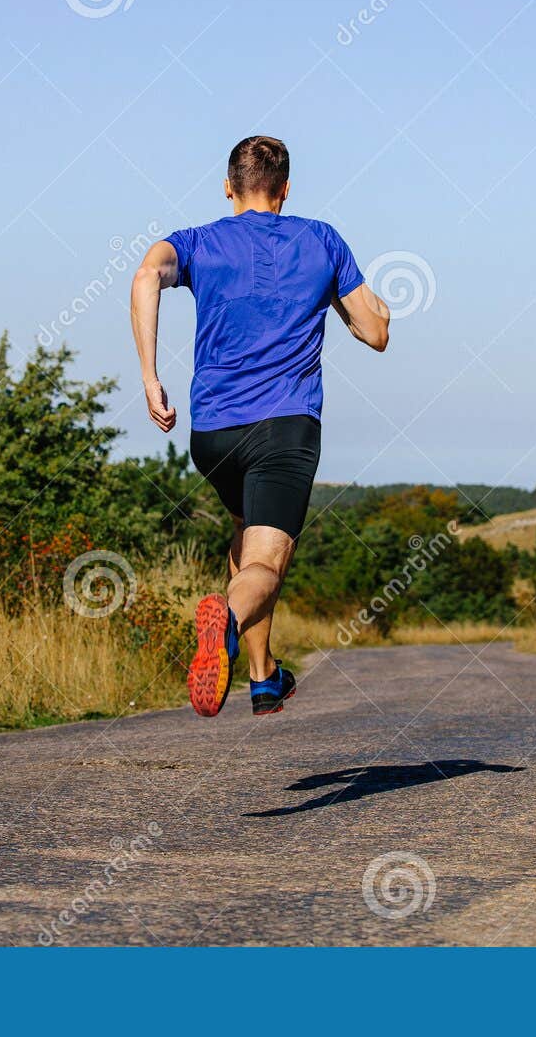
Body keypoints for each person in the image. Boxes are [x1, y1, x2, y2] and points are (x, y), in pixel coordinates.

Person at [128, 136, 390, 717]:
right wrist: (376, 306)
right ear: (287, 189)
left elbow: (147, 274)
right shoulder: (321, 239)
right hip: (285, 430)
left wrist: (150, 378)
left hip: (213, 434)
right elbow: (375, 333)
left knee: (247, 537)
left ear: (229, 187)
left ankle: (263, 674)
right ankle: (225, 623)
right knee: (266, 565)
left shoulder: (197, 243)